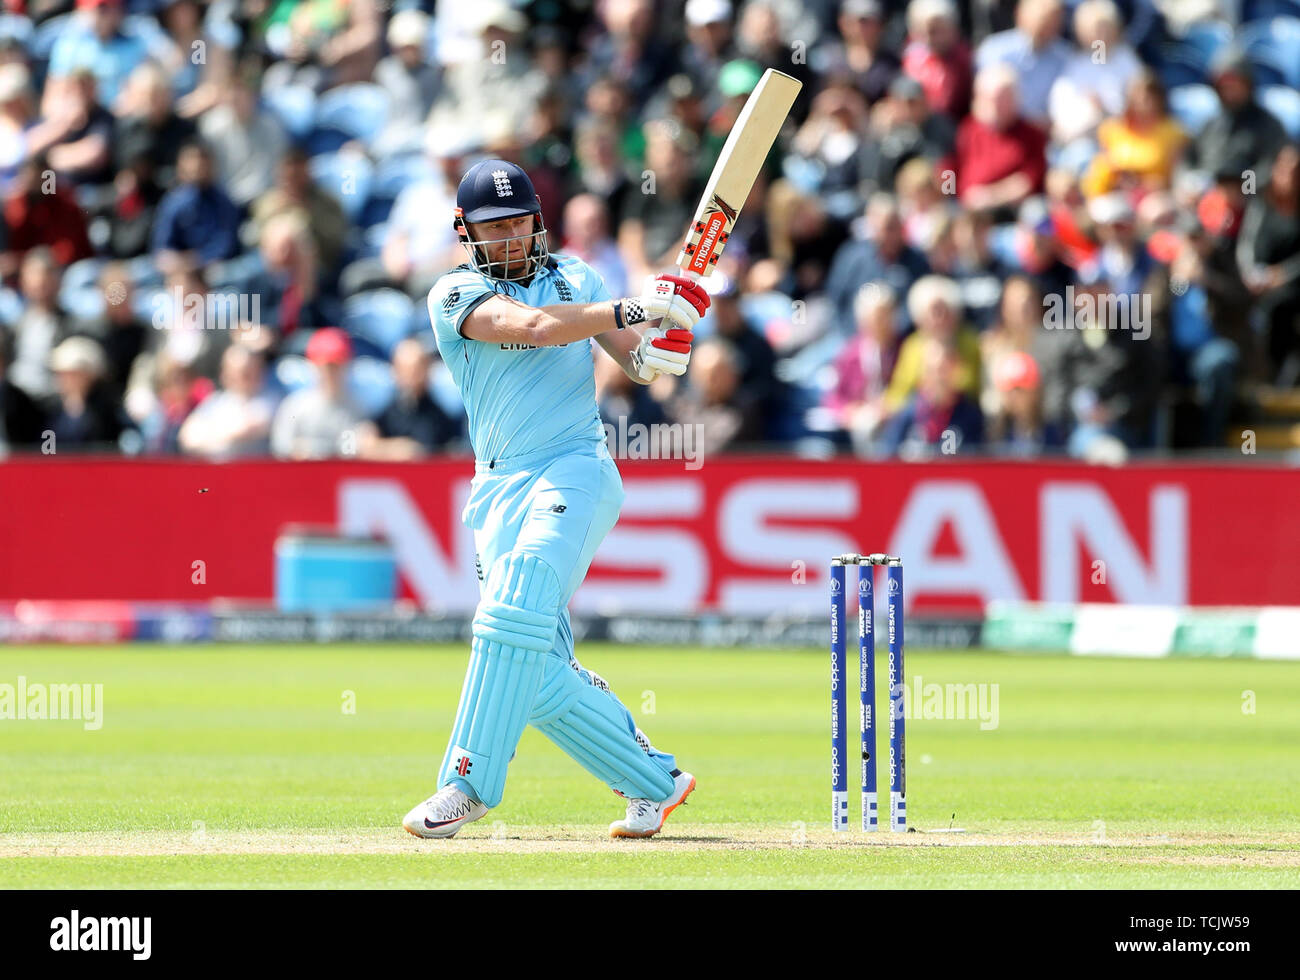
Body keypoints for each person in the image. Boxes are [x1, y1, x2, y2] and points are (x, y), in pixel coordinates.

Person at [404, 158, 707, 840]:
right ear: (465, 232)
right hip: (497, 489)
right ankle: (654, 783)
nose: (510, 239)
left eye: (519, 224)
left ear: (538, 222)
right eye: (494, 229)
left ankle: (466, 784)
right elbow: (538, 327)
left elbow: (637, 362)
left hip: (575, 469)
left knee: (514, 605)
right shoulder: (453, 295)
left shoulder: (579, 277)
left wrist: (669, 339)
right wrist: (636, 306)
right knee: (533, 670)